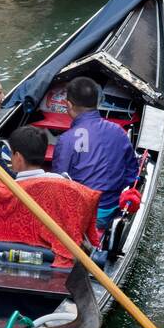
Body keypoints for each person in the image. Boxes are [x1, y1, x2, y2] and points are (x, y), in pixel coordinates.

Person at [52, 76, 138, 226]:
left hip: (84, 215)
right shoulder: (118, 131)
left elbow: (59, 185)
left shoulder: (66, 140)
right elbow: (132, 173)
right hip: (114, 207)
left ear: (68, 105)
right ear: (97, 102)